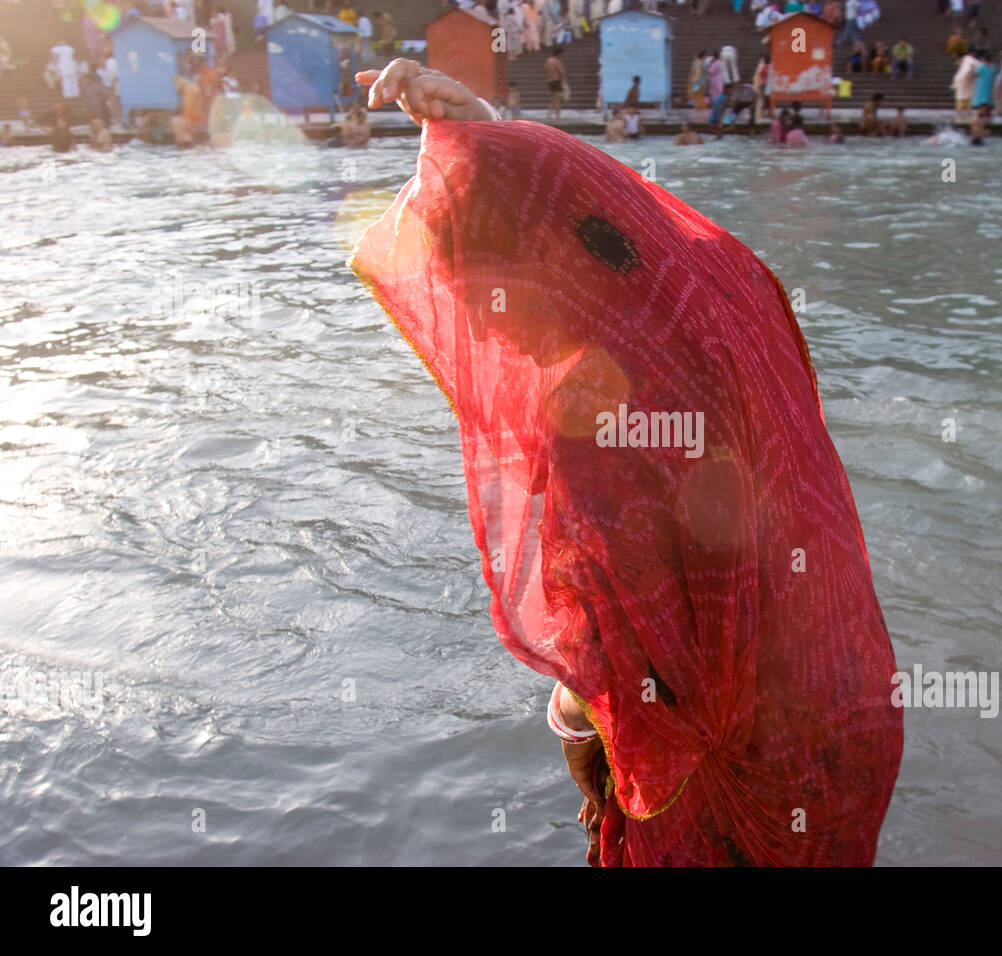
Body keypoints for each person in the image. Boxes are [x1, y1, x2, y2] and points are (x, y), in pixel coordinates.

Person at [349, 58, 904, 864]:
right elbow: (589, 217)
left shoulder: (593, 410)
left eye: (476, 294)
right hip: (847, 699)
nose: (485, 330)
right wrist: (487, 134)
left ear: (522, 271)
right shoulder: (720, 278)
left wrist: (583, 745)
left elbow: (622, 661)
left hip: (740, 767)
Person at [545, 46, 565, 120]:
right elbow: (562, 72)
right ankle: (557, 116)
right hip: (556, 81)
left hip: (549, 81)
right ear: (559, 54)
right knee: (557, 99)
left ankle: (548, 115)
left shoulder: (548, 60)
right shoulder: (557, 61)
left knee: (552, 99)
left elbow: (545, 70)